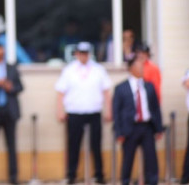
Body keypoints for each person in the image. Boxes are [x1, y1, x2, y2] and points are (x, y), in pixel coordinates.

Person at [56, 42, 111, 184]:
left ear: (89, 54)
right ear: (76, 54)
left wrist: (108, 110)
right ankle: (71, 174)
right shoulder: (69, 70)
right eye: (80, 53)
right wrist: (60, 110)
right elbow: (60, 93)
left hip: (94, 111)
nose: (83, 56)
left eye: (86, 53)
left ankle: (99, 174)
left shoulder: (98, 69)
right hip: (75, 112)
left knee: (96, 145)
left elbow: (106, 92)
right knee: (73, 145)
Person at [113, 54, 163, 185]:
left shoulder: (149, 86)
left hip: (147, 127)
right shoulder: (121, 88)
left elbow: (156, 108)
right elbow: (116, 112)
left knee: (151, 158)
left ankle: (152, 181)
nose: (141, 69)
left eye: (142, 66)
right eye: (138, 66)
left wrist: (158, 128)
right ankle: (125, 181)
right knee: (128, 159)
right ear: (130, 69)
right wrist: (119, 132)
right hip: (130, 128)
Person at [0, 43, 23, 184]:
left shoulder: (11, 67)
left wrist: (10, 86)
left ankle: (13, 176)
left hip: (9, 110)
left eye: (1, 51)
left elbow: (20, 86)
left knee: (12, 145)